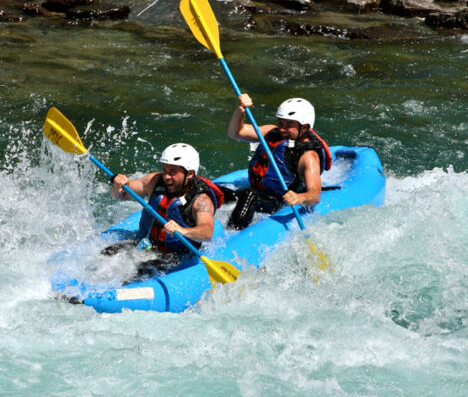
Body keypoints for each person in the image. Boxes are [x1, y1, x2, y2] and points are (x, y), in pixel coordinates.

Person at [107, 143, 224, 275]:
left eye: (173, 172)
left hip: (174, 256)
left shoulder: (201, 200)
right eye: (165, 170)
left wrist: (182, 230)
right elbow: (122, 195)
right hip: (144, 243)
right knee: (107, 252)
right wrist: (118, 186)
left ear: (190, 173)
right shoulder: (154, 181)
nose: (166, 176)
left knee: (142, 271)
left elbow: (207, 233)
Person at [224, 93, 332, 230]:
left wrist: (299, 198)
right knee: (219, 193)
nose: (282, 128)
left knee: (249, 195)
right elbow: (235, 133)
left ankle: (232, 234)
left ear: (304, 127)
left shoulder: (308, 156)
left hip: (276, 200)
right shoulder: (272, 132)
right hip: (257, 191)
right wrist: (240, 111)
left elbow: (315, 195)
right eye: (281, 122)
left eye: (289, 125)